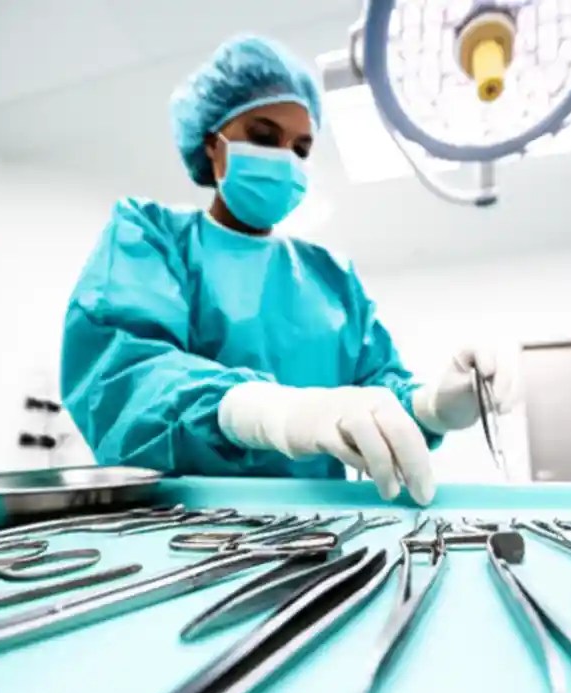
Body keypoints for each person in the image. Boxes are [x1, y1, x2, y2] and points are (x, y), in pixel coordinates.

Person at [60, 35, 517, 506]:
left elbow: (378, 393)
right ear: (212, 145)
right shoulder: (152, 237)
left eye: (300, 148)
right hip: (182, 526)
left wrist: (433, 406)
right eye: (262, 137)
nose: (284, 157)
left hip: (323, 528)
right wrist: (265, 412)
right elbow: (122, 378)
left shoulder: (331, 278)